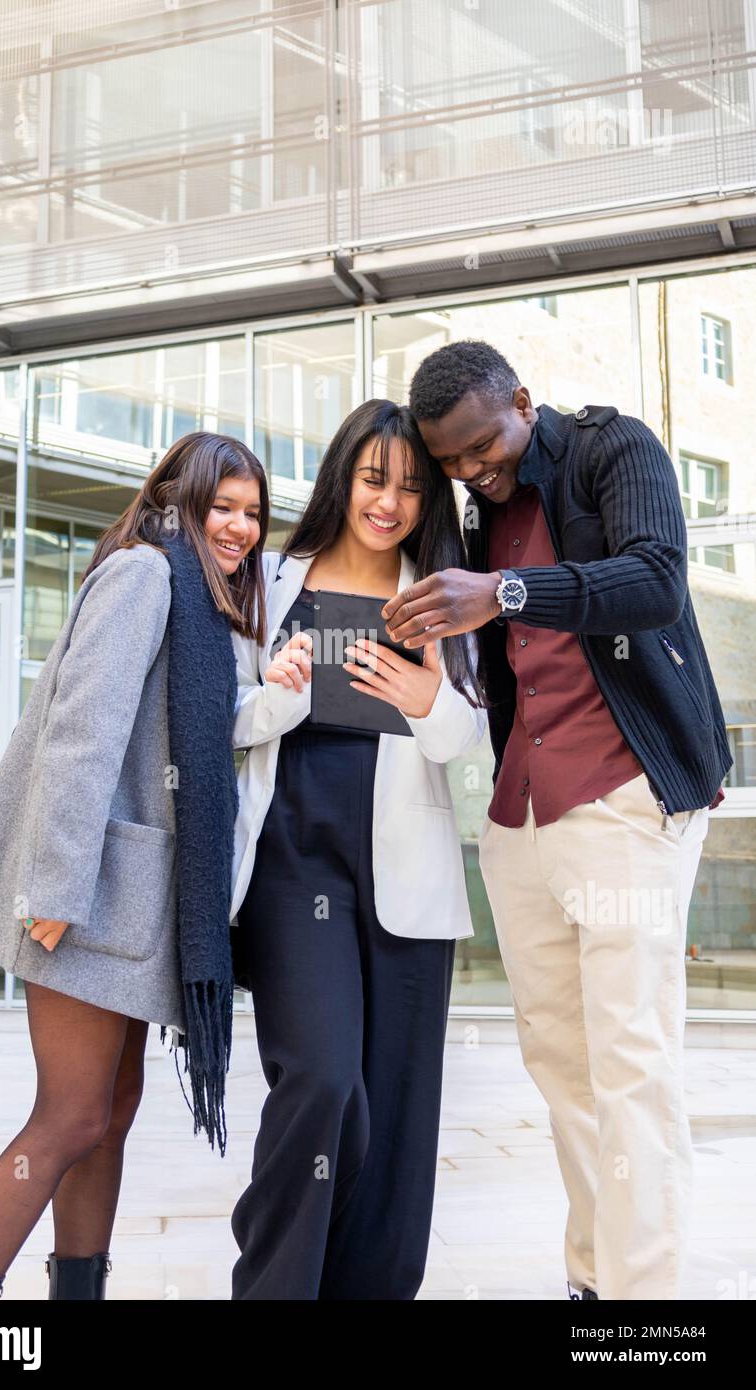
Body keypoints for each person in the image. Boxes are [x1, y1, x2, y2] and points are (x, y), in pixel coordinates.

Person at [381, 340, 732, 1302]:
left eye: (482, 448)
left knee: (630, 1063)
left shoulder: (610, 452)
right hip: (520, 812)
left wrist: (504, 594)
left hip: (623, 795)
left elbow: (655, 577)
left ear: (523, 403)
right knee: (562, 1067)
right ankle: (594, 1284)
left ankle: (644, 1310)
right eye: (449, 461)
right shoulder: (469, 514)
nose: (471, 471)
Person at [0, 432, 268, 1300]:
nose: (239, 528)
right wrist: (56, 883)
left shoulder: (199, 597)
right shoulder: (146, 574)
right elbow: (81, 736)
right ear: (180, 499)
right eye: (222, 506)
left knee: (109, 1117)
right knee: (71, 1115)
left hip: (127, 902)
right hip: (85, 894)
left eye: (253, 514)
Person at [228, 398, 486, 1300]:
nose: (389, 503)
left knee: (399, 1109)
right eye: (374, 479)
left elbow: (467, 746)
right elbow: (215, 719)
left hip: (406, 875)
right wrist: (275, 691)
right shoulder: (266, 581)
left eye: (412, 488)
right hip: (295, 864)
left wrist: (426, 698)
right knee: (325, 1082)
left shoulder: (445, 591)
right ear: (343, 475)